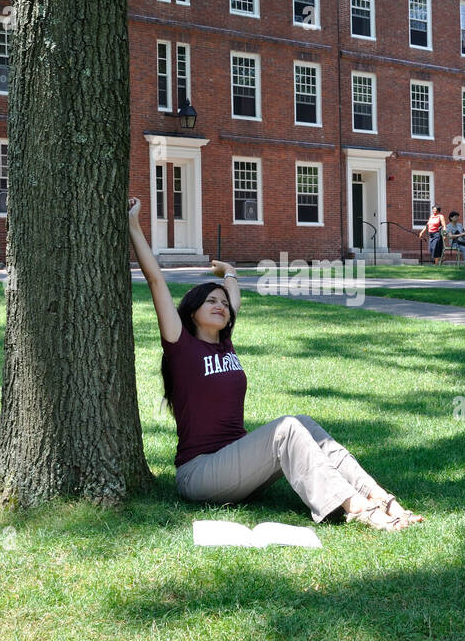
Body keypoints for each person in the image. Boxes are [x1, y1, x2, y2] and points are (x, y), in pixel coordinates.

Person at [128, 197, 422, 531]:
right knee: (286, 428)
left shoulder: (225, 345)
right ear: (191, 310)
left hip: (238, 464)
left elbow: (233, 297)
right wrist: (133, 224)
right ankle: (356, 509)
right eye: (209, 301)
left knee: (303, 422)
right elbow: (154, 280)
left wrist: (230, 274)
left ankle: (380, 498)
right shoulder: (181, 346)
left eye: (223, 304)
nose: (220, 306)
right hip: (200, 473)